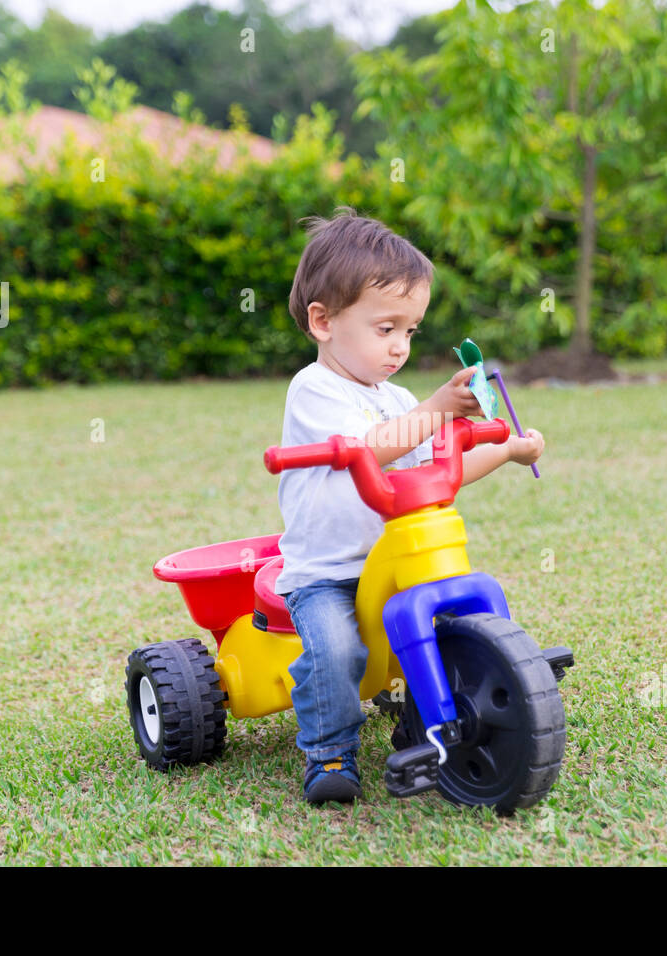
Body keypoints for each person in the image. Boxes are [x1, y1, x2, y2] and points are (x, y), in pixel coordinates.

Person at [274, 207, 545, 804]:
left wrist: (508, 451)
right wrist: (438, 408)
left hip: (393, 564)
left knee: (444, 620)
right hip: (328, 572)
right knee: (338, 649)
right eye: (385, 328)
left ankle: (428, 721)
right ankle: (330, 752)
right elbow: (370, 448)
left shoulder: (397, 397)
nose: (399, 346)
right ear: (323, 321)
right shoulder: (314, 389)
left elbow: (434, 477)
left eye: (411, 331)